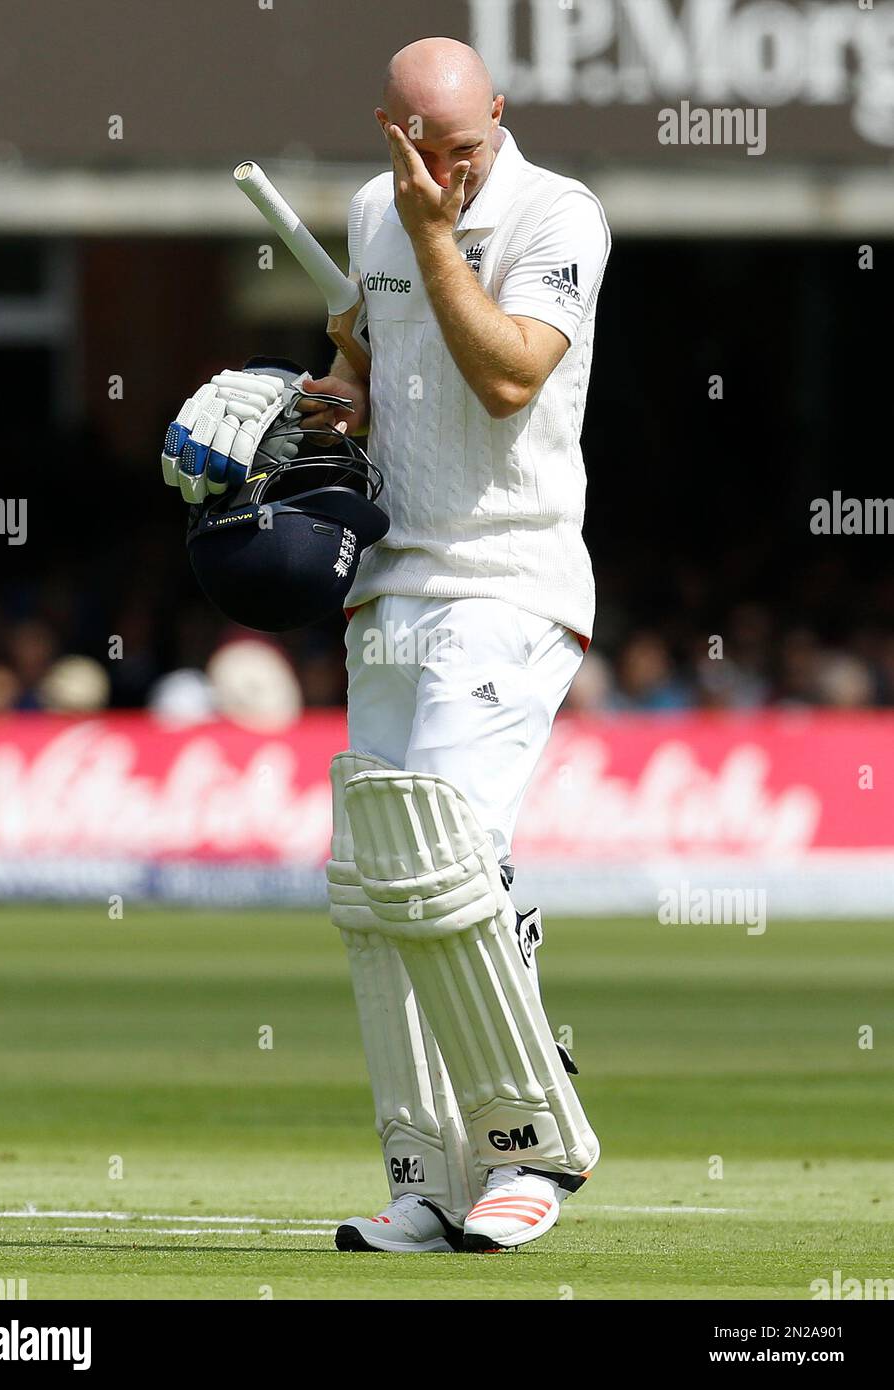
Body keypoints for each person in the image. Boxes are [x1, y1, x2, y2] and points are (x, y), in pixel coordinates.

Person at [300, 37, 612, 1253]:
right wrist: (317, 405)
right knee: (379, 891)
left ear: (501, 113)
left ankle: (534, 1151)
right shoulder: (376, 205)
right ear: (389, 129)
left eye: (466, 149)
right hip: (388, 584)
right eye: (423, 153)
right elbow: (368, 369)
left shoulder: (558, 214)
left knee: (445, 866)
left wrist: (438, 236)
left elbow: (507, 376)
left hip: (507, 577)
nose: (448, 174)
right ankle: (430, 1173)